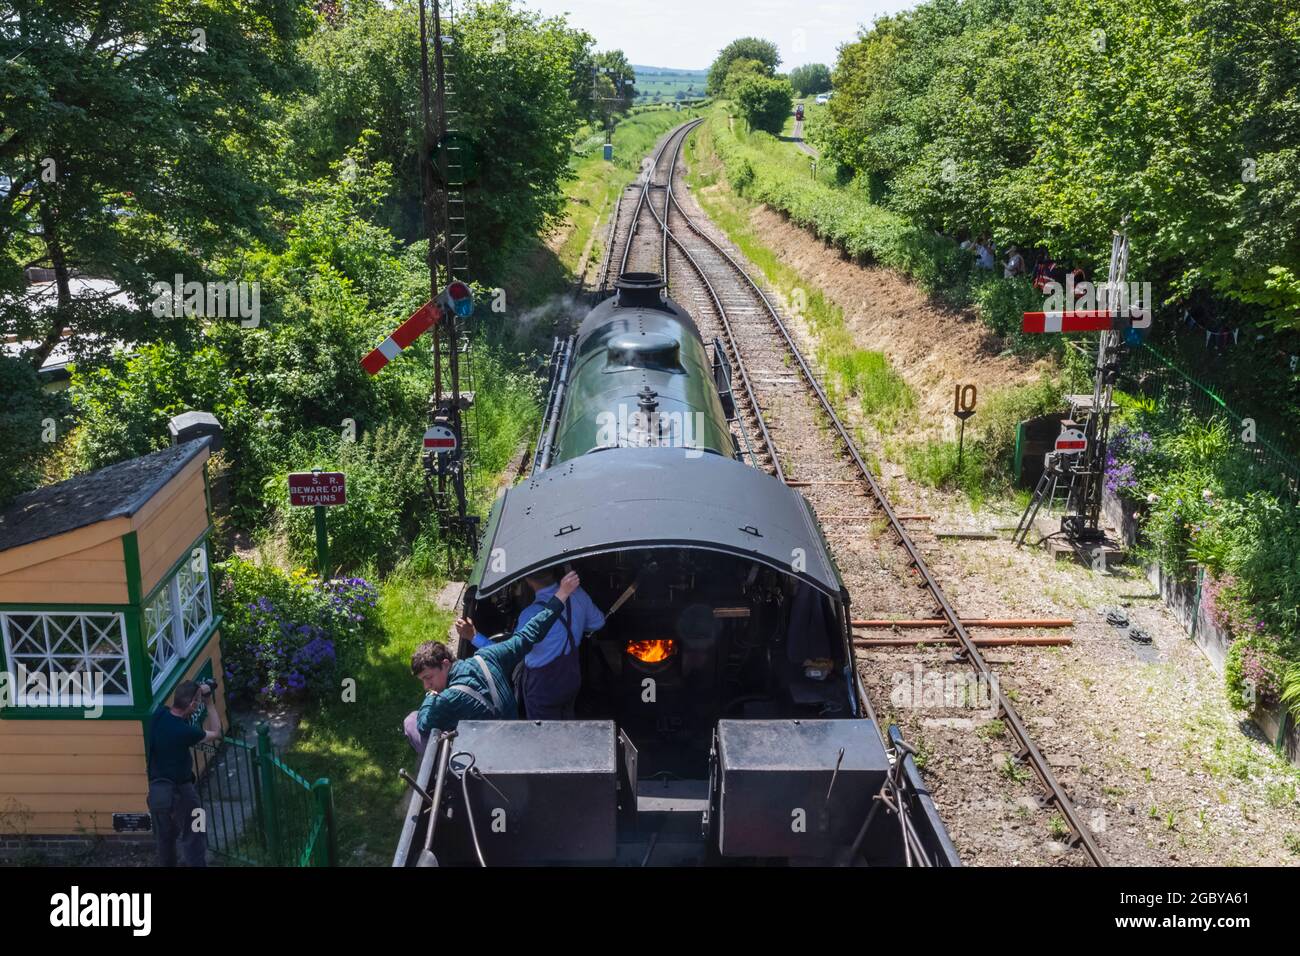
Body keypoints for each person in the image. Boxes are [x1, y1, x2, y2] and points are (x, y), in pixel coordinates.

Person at [403, 570, 581, 754]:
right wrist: (562, 594)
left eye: (428, 677)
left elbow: (424, 724)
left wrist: (430, 698)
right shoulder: (489, 656)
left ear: (446, 664)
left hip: (489, 753)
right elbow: (529, 634)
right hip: (513, 734)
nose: (426, 685)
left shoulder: (447, 700)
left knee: (410, 721)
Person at [146, 679, 221, 867]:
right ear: (192, 704)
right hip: (182, 793)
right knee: (195, 831)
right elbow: (216, 732)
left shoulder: (159, 715)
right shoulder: (186, 732)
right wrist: (209, 703)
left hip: (157, 792)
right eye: (196, 702)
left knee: (164, 838)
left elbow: (179, 708)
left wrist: (196, 692)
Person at [515, 568, 606, 719]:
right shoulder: (578, 594)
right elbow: (598, 622)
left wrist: (474, 637)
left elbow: (511, 652)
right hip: (570, 677)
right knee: (567, 720)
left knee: (543, 732)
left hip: (542, 687)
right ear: (553, 572)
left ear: (527, 579)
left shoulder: (529, 614)